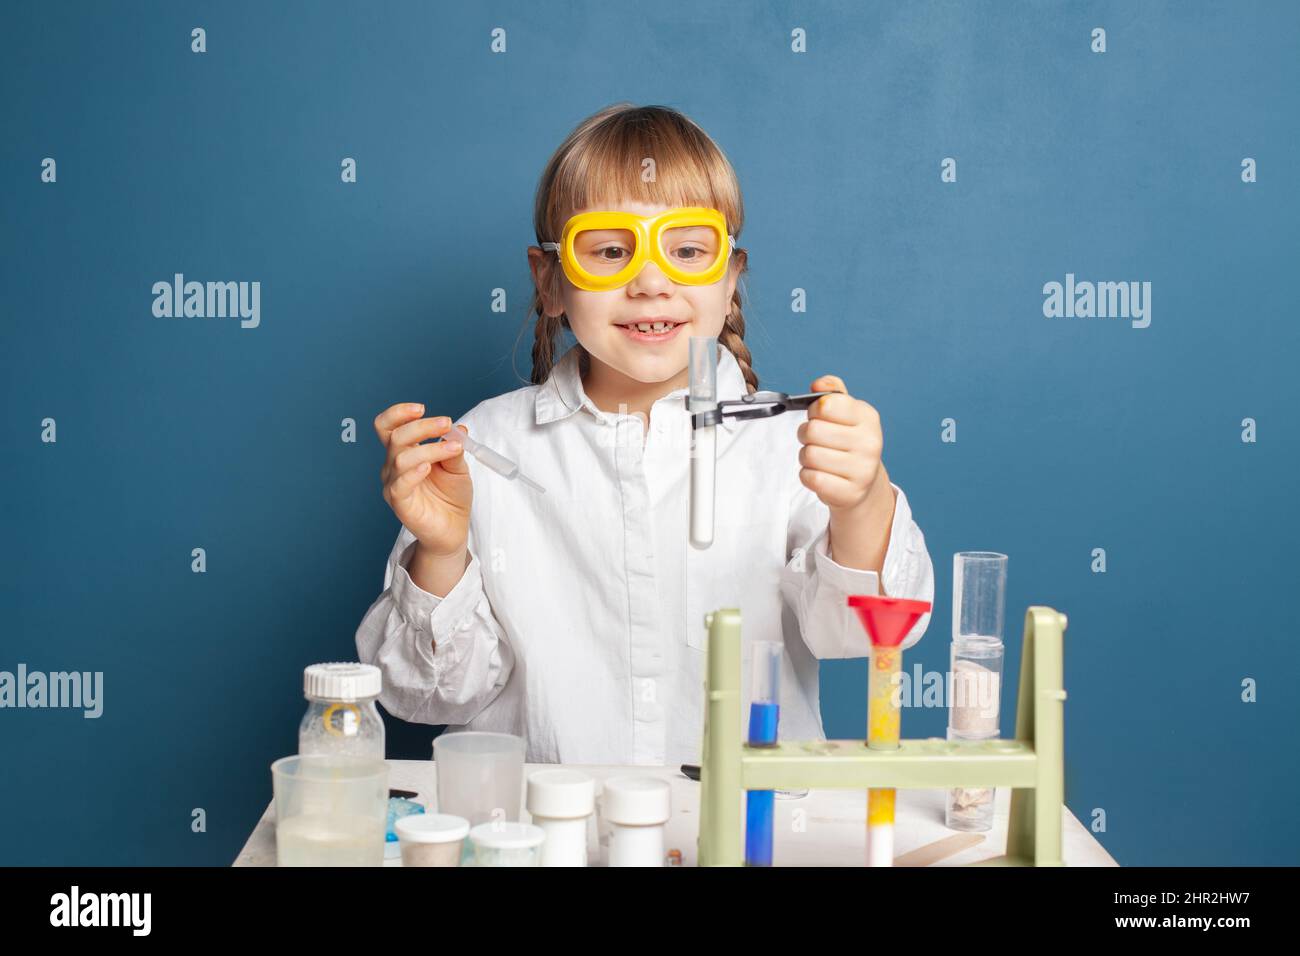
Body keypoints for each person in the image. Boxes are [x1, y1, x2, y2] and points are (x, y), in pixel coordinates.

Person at [357, 103, 934, 765]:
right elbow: (430, 698)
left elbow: (864, 635)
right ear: (549, 281)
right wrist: (441, 552)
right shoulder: (483, 448)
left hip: (746, 837)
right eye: (608, 251)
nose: (651, 282)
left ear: (729, 278)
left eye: (687, 250)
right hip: (546, 841)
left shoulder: (793, 443)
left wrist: (860, 503)